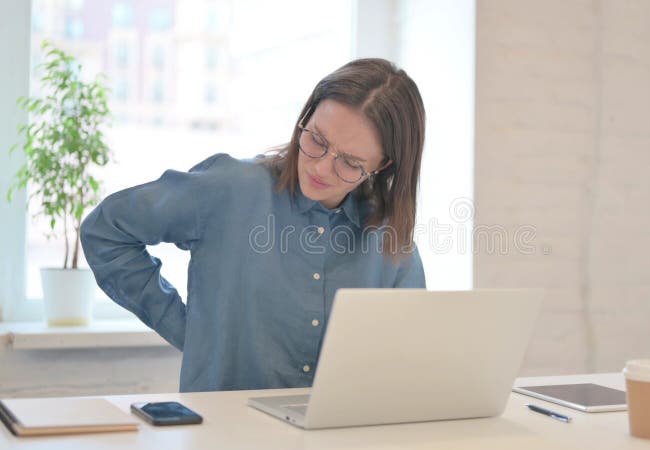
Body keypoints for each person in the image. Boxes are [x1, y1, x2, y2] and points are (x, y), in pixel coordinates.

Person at [80, 58, 426, 392]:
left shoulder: (389, 237)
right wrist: (191, 331)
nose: (321, 168)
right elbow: (106, 231)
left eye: (350, 163)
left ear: (383, 166)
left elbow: (407, 357)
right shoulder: (231, 188)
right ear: (305, 117)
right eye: (317, 140)